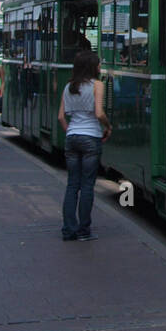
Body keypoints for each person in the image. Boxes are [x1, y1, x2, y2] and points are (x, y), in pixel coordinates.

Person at [58, 50, 111, 242]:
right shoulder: (97, 85)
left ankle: (68, 230)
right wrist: (108, 126)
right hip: (91, 138)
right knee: (87, 185)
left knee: (72, 185)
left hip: (72, 137)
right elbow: (99, 113)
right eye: (98, 64)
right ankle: (83, 230)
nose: (100, 67)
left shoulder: (68, 86)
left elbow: (61, 117)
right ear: (92, 67)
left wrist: (71, 132)